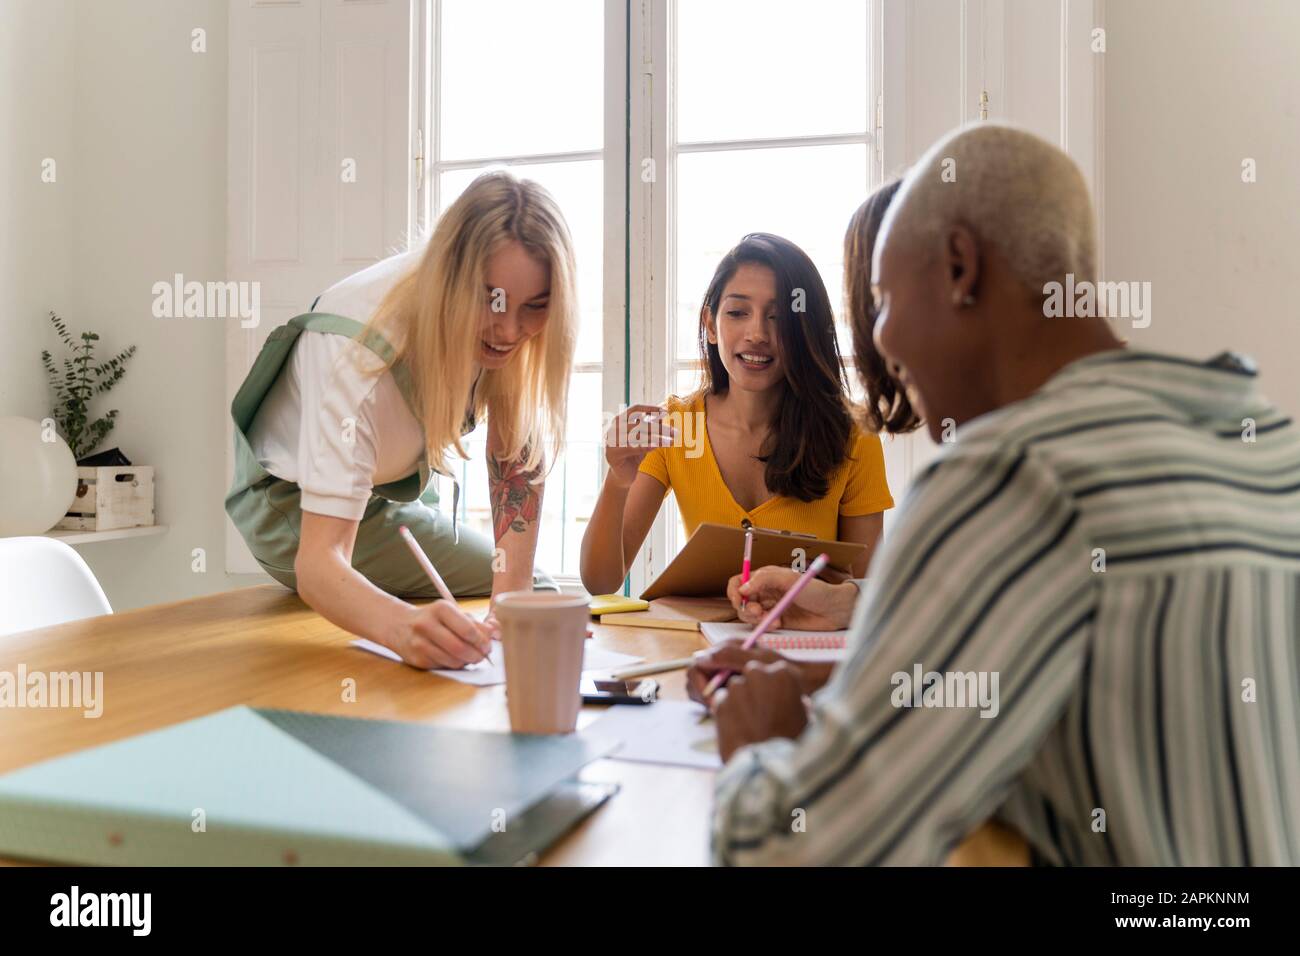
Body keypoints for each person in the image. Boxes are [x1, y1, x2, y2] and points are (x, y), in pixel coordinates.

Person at [695, 123, 1300, 865]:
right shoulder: (1265, 439)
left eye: (884, 298)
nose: (880, 340)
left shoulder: (1008, 476)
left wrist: (762, 742)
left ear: (959, 267)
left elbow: (790, 850)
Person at [226, 171, 577, 670]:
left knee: (528, 601)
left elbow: (514, 463)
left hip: (389, 496)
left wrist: (508, 608)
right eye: (490, 301)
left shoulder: (507, 317)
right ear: (449, 278)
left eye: (536, 307)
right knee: (429, 626)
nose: (510, 330)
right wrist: (402, 630)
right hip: (292, 511)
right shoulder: (357, 357)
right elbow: (320, 566)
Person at [579, 233, 894, 596]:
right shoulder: (680, 427)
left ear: (803, 330)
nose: (757, 333)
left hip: (802, 647)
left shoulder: (853, 437)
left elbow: (868, 596)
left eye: (777, 317)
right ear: (711, 326)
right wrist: (617, 482)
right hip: (697, 646)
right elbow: (600, 582)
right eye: (737, 312)